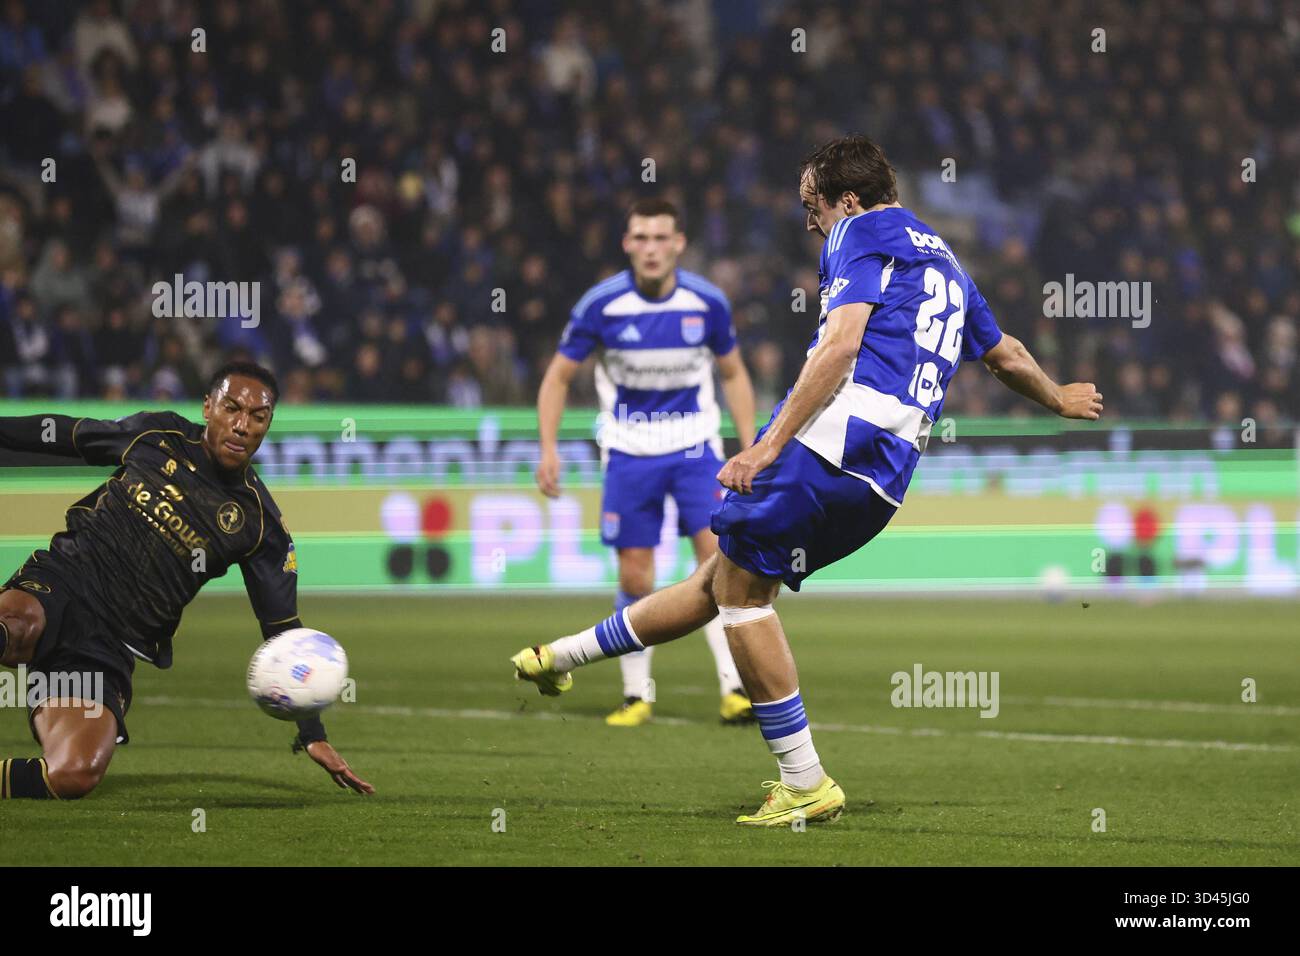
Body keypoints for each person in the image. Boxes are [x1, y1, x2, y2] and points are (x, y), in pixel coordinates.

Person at [514, 135, 1102, 825]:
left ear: (846, 200)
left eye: (812, 204)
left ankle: (804, 781)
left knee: (739, 594)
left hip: (831, 449)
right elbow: (1004, 353)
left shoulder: (859, 232)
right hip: (883, 479)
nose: (808, 220)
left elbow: (840, 345)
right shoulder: (940, 256)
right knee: (724, 581)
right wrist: (1057, 395)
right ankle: (562, 656)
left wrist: (766, 447)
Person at [0, 360, 373, 799]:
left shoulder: (259, 526)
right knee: (14, 625)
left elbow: (282, 634)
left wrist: (311, 733)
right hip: (62, 583)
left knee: (74, 774)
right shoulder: (158, 438)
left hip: (109, 648)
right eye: (232, 408)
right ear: (208, 407)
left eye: (258, 417)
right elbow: (67, 435)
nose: (242, 426)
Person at [534, 198, 758, 726]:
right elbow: (557, 377)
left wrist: (751, 447)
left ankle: (734, 690)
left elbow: (734, 374)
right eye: (641, 238)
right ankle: (638, 695)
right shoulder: (601, 305)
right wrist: (547, 447)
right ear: (626, 244)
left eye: (661, 238)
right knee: (637, 576)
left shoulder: (706, 302)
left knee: (721, 567)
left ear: (679, 243)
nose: (651, 248)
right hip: (630, 454)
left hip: (696, 451)